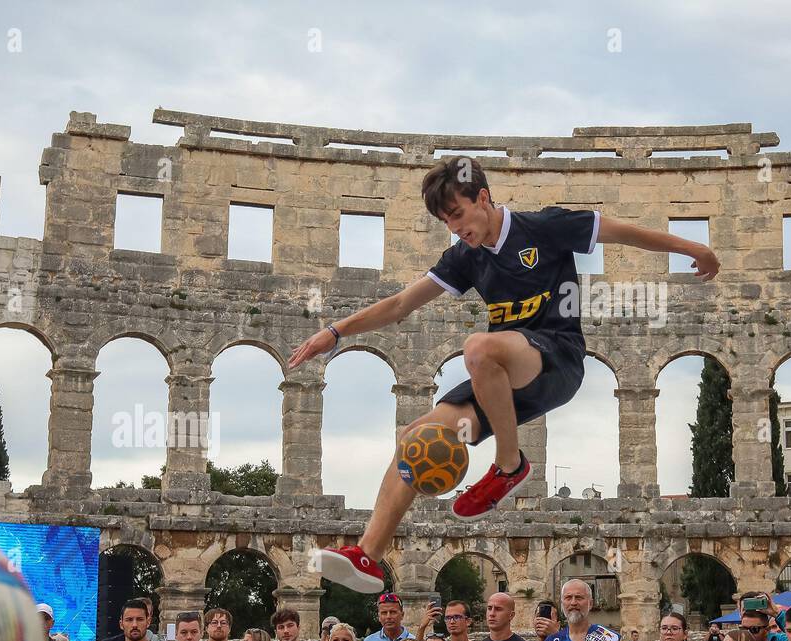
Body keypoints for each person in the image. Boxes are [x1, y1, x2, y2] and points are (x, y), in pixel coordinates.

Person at [304, 156, 719, 592]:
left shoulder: (544, 227)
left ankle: (509, 464)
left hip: (556, 361)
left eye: (458, 214)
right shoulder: (465, 257)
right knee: (416, 438)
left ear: (482, 197)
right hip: (501, 386)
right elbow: (400, 305)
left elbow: (624, 233)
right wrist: (335, 332)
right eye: (446, 221)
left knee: (479, 347)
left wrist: (693, 248)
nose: (455, 227)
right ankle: (368, 555)